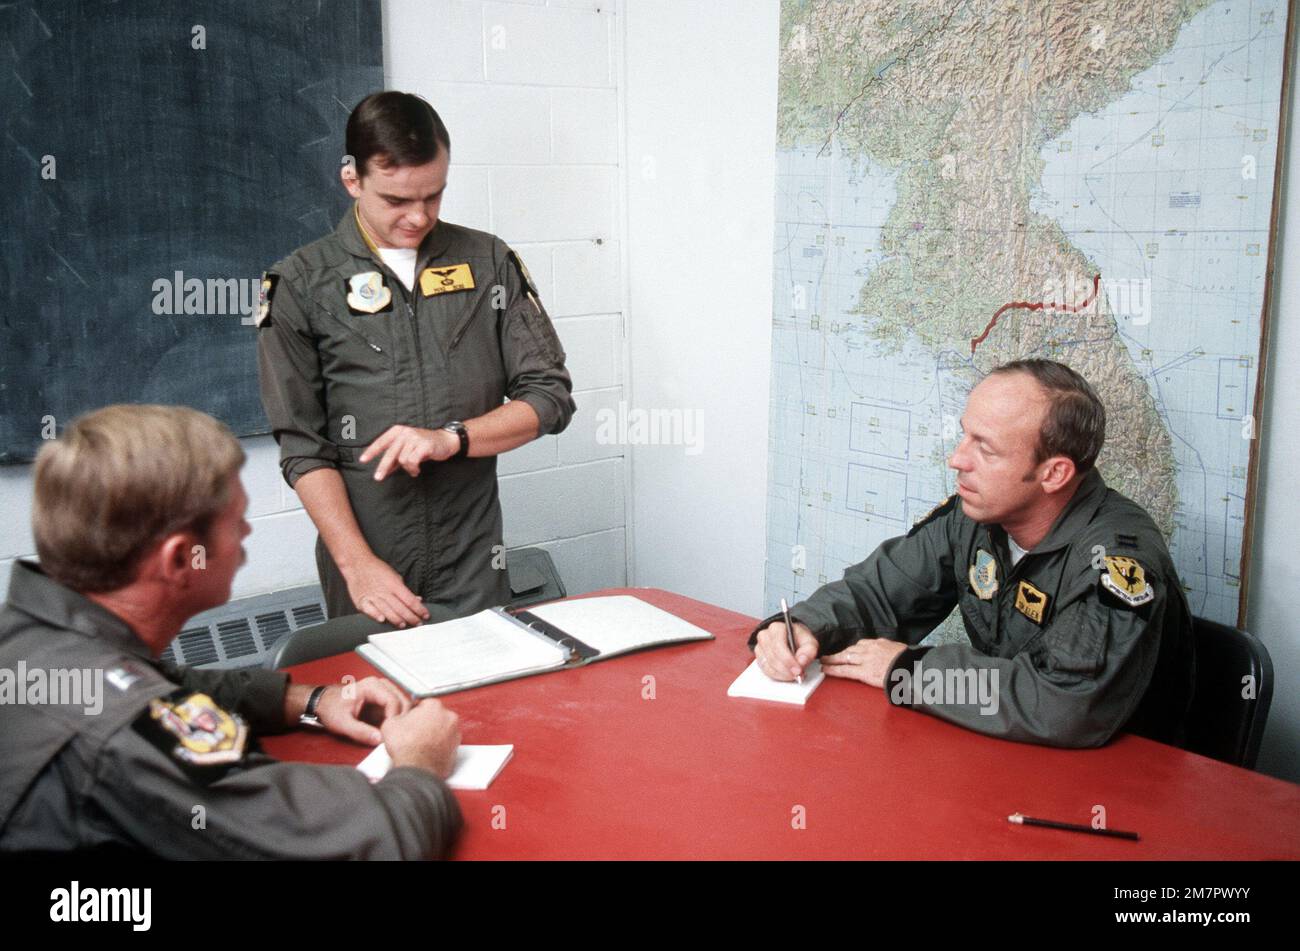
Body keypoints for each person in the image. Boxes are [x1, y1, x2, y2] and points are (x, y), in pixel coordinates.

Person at [0, 405, 463, 859]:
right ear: (180, 558)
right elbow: (374, 841)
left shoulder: (33, 636)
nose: (245, 534)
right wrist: (420, 763)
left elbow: (158, 682)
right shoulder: (123, 732)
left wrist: (311, 700)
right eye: (236, 520)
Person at [752, 359, 1196, 749]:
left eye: (985, 448)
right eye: (965, 435)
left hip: (1118, 780)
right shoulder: (975, 518)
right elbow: (878, 594)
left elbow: (1063, 704)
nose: (957, 459)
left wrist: (909, 673)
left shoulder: (1116, 561)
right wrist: (804, 628)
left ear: (1054, 473)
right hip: (1006, 747)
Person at [257, 90, 576, 626]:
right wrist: (357, 565)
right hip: (371, 572)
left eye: (434, 195)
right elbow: (303, 449)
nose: (418, 216)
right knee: (377, 683)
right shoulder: (299, 284)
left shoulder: (489, 262)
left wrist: (452, 439)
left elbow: (550, 397)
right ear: (352, 180)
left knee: (486, 680)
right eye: (396, 200)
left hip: (475, 563)